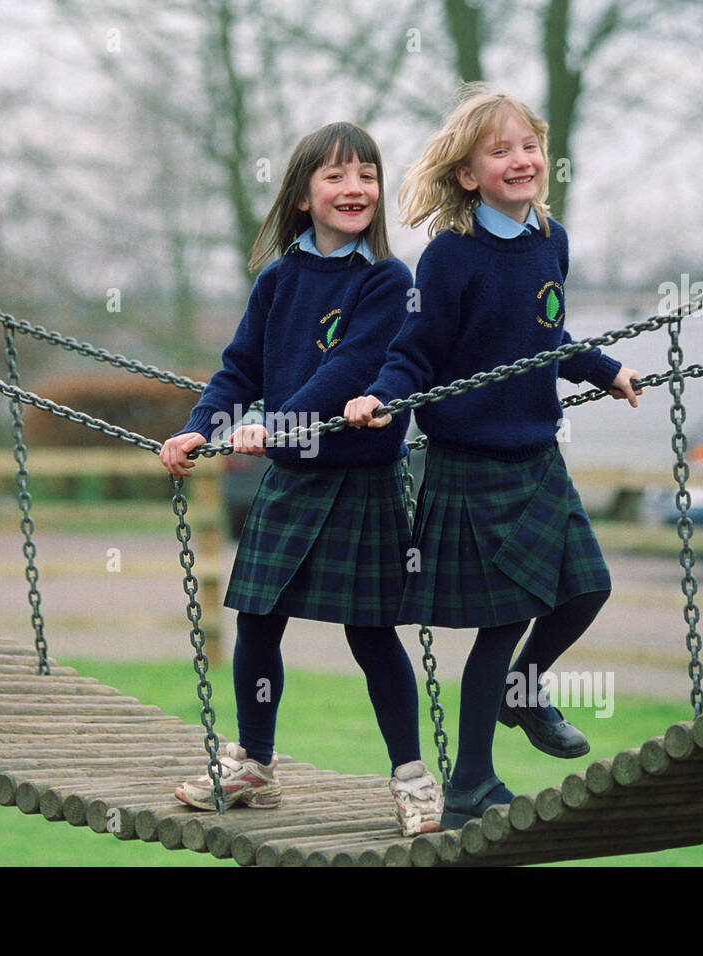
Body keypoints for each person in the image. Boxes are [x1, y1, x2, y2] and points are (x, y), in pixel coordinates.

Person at [344, 83, 642, 830]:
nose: (521, 159)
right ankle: (471, 782)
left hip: (537, 458)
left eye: (530, 145)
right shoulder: (450, 258)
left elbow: (544, 337)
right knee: (503, 620)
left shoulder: (552, 240)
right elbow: (414, 351)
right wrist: (383, 394)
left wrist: (603, 370)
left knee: (586, 589)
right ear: (469, 173)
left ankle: (525, 692)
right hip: (469, 465)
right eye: (501, 150)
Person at [160, 122, 443, 837]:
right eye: (336, 176)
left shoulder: (387, 280)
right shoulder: (279, 280)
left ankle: (411, 778)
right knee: (255, 620)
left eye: (367, 176)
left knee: (371, 632)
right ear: (302, 194)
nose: (355, 189)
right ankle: (254, 764)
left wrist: (273, 425)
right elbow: (238, 368)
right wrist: (203, 424)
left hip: (359, 479)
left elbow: (347, 369)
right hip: (292, 483)